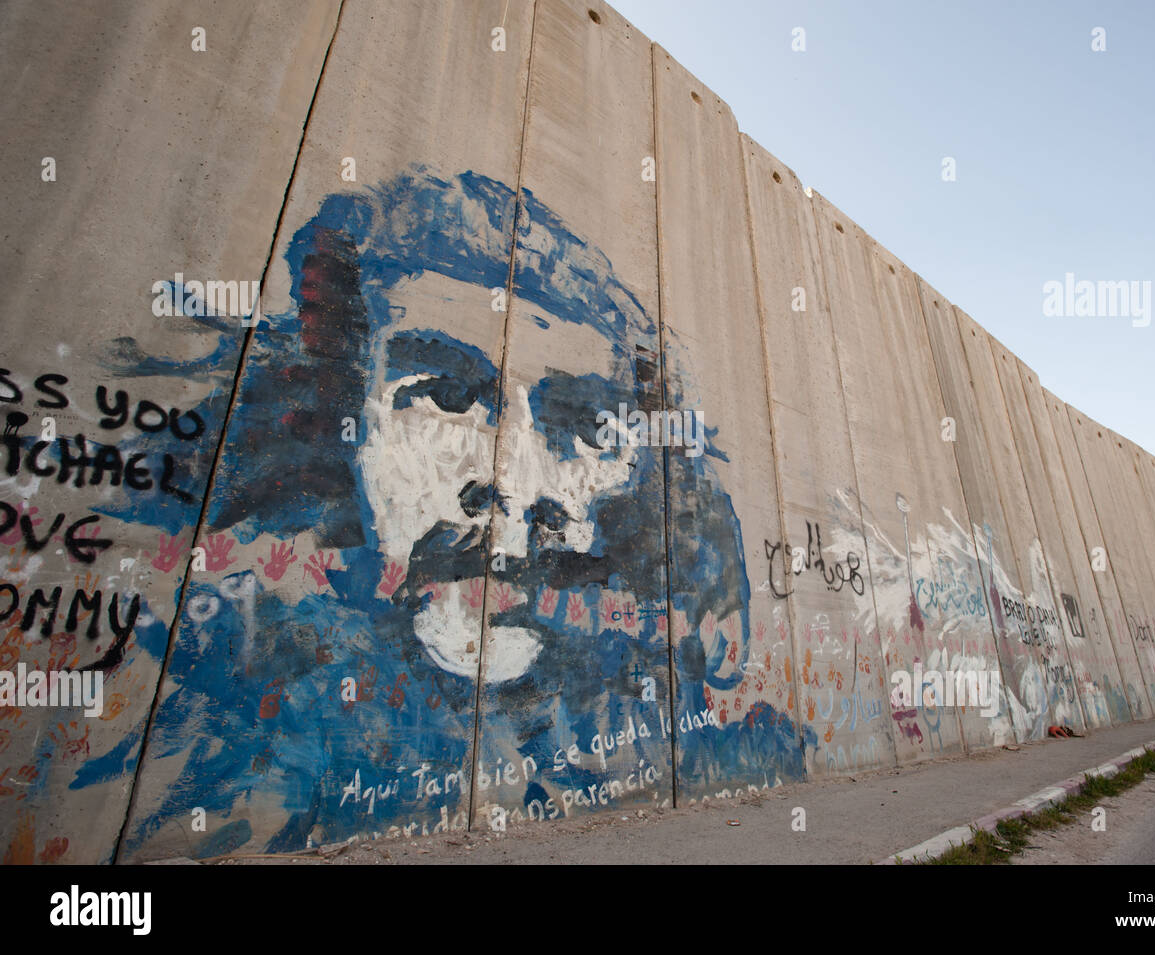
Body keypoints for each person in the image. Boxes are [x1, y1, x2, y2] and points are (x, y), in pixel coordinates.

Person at [97, 167, 801, 857]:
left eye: (587, 430)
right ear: (352, 421)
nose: (516, 490)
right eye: (450, 399)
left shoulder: (658, 721)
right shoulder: (221, 731)